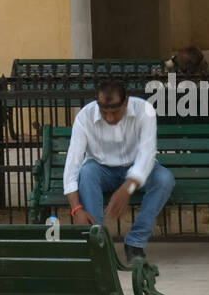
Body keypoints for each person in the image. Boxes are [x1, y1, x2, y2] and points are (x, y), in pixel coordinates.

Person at [64, 78, 175, 261]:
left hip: (137, 170)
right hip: (101, 170)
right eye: (104, 112)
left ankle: (135, 243)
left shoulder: (144, 110)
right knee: (87, 172)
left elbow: (146, 155)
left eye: (115, 112)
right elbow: (73, 165)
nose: (109, 118)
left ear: (126, 102)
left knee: (164, 179)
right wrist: (76, 209)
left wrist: (127, 188)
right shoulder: (85, 116)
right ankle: (97, 241)